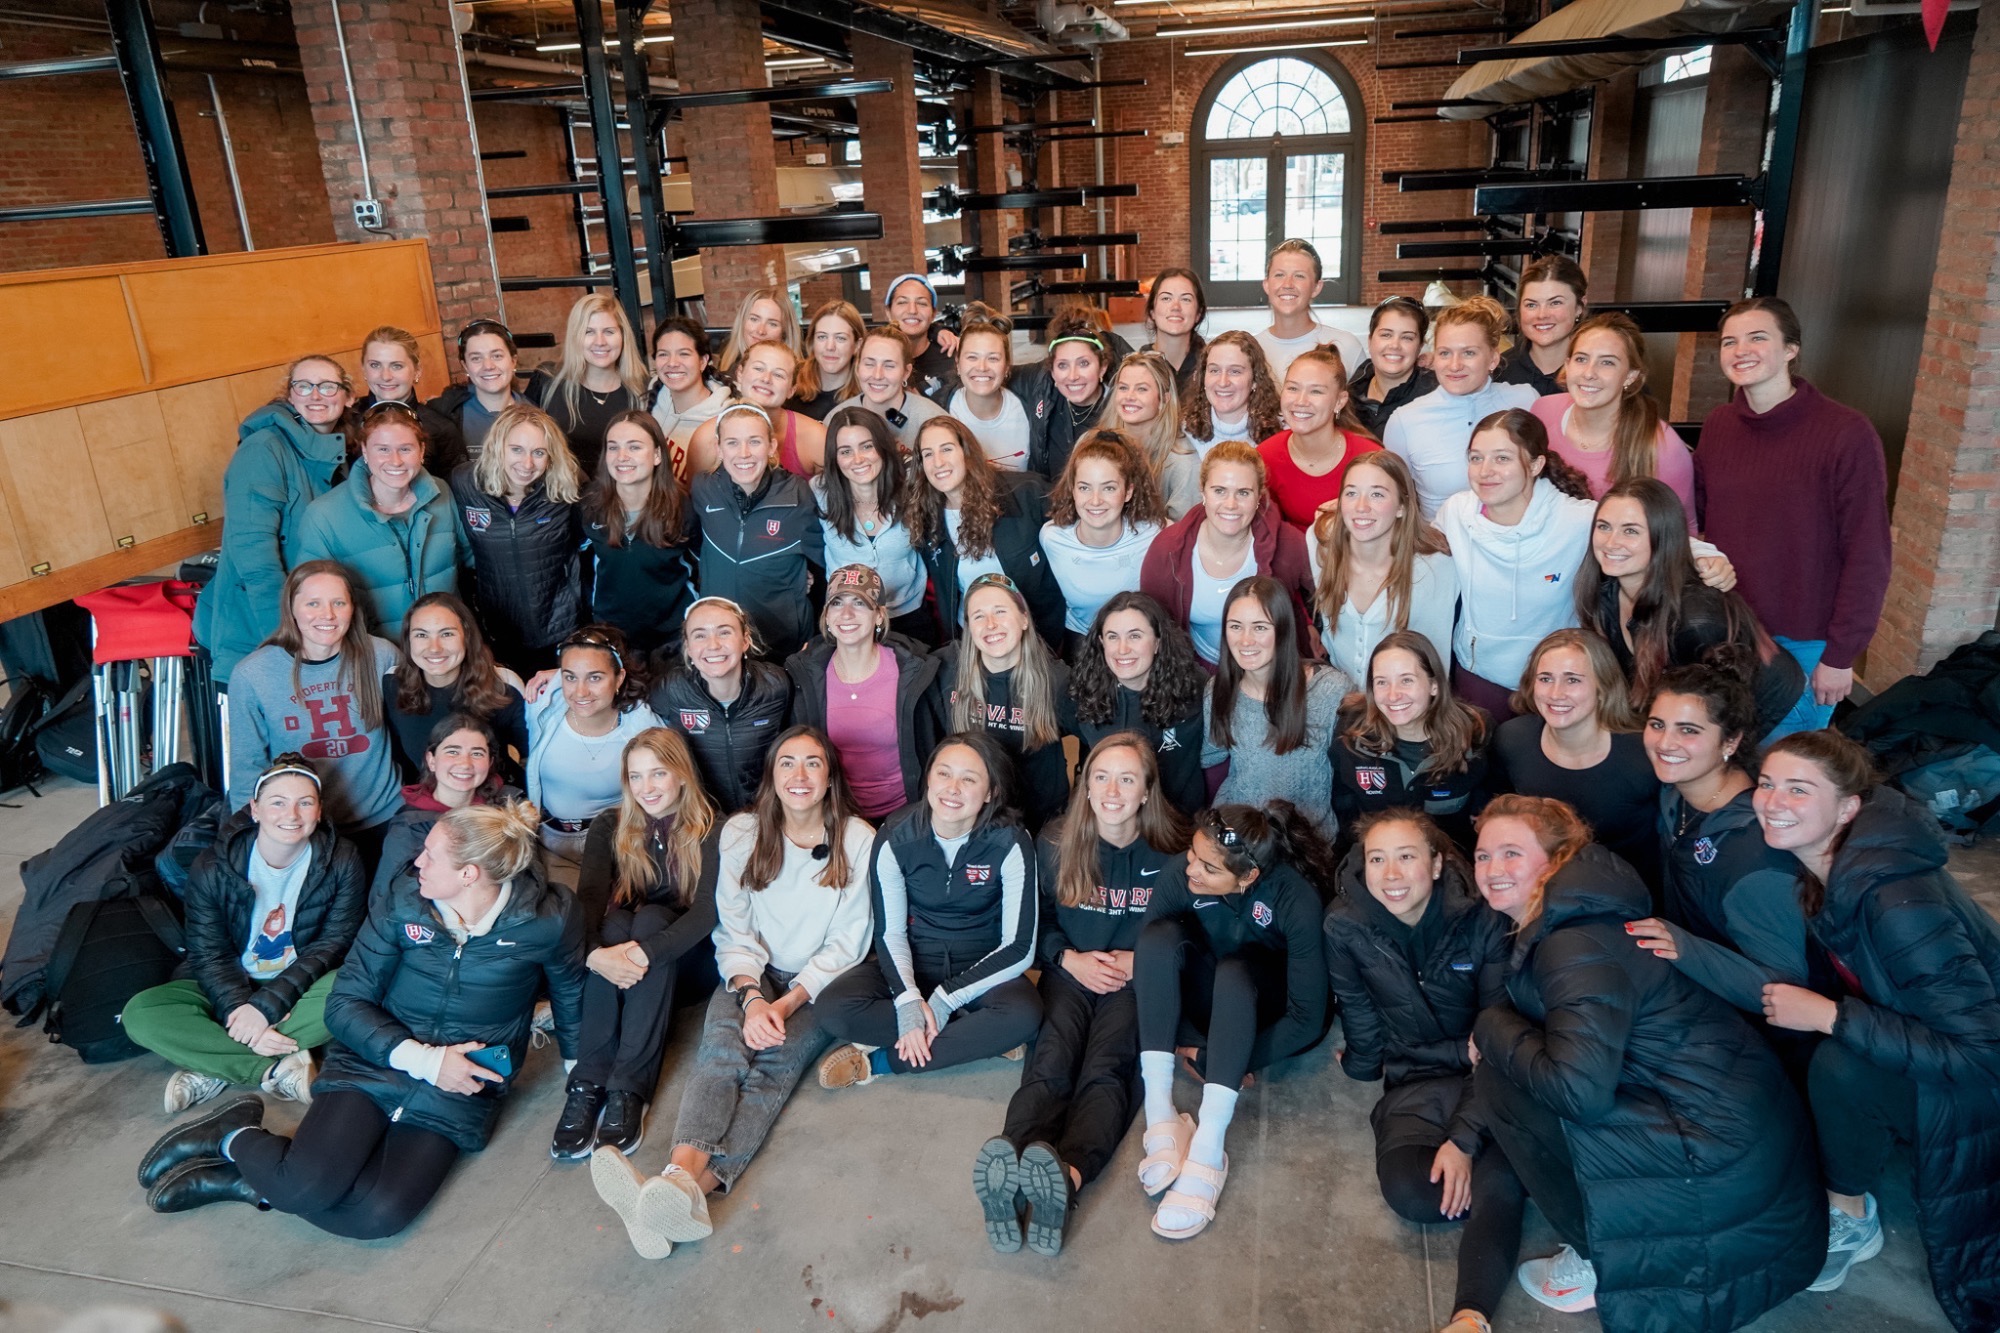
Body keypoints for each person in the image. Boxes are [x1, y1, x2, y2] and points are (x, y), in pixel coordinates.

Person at [137, 802, 586, 1238]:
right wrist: (426, 1060)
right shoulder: (403, 902)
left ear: (469, 874)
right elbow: (345, 1002)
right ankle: (231, 1136)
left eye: (431, 855)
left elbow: (570, 991)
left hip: (461, 1084)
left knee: (375, 1216)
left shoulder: (548, 919)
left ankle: (246, 1181)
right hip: (374, 1062)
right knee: (304, 1187)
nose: (418, 861)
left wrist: (581, 1077)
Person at [1467, 795, 1824, 1328]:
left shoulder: (1572, 943)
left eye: (1512, 853)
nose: (1493, 869)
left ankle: (1596, 1259)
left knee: (1501, 1083)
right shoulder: (1584, 912)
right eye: (1483, 855)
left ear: (1556, 860)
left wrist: (1489, 1026)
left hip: (1713, 1158)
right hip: (1733, 1135)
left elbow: (1579, 1094)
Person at [590, 726, 875, 1259]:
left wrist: (785, 1003)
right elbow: (734, 927)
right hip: (751, 972)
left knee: (770, 1072)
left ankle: (680, 1192)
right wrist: (752, 997)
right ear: (771, 775)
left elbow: (848, 942)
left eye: (813, 763)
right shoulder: (743, 832)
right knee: (722, 1051)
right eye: (786, 763)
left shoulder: (858, 839)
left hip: (818, 985)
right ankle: (681, 1182)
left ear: (830, 777)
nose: (799, 775)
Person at [1753, 731, 2000, 1325]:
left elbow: (1982, 1051)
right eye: (1766, 784)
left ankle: (1851, 1217)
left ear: (1847, 808)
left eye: (1798, 789)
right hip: (1937, 1043)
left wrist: (1830, 1016)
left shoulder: (1894, 901)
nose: (1772, 801)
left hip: (1983, 1081)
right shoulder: (1839, 870)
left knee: (1839, 1062)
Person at [975, 734, 1191, 1256]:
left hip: (1135, 981)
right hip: (1072, 970)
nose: (1112, 791)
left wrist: (1145, 961)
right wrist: (1066, 958)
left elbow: (1196, 931)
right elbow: (1039, 920)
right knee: (1051, 1060)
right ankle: (1012, 1166)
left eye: (1126, 779)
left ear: (1147, 791)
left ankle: (1066, 1176)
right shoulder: (1055, 842)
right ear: (1085, 786)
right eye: (1101, 777)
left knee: (1107, 1067)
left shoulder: (1174, 852)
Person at [1323, 810, 1521, 1333]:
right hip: (1412, 1075)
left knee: (1496, 1176)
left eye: (1406, 857)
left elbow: (1497, 1030)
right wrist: (1363, 1064)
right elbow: (1356, 1006)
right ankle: (1505, 1178)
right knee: (1412, 1192)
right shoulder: (1344, 924)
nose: (1390, 874)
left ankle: (1470, 1317)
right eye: (1377, 859)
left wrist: (1462, 1140)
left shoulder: (1483, 918)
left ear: (1435, 864)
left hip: (1489, 1072)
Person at [1439, 410, 1734, 720]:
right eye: (1476, 458)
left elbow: (1657, 533)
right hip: (1478, 673)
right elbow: (1423, 548)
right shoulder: (1456, 511)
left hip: (1558, 680)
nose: (1485, 471)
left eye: (1502, 458)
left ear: (1536, 465)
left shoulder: (1575, 518)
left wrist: (1709, 558)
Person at [1133, 800, 1334, 1240]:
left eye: (1209, 867)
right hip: (1212, 1003)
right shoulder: (1181, 875)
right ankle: (1160, 1111)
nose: (1191, 869)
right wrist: (1187, 1041)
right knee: (1157, 938)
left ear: (1248, 877)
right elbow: (1152, 972)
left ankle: (1208, 1146)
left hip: (1266, 1008)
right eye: (1193, 854)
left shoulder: (1294, 897)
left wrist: (1219, 1061)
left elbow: (1308, 1019)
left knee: (1236, 969)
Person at [123, 757, 366, 1113]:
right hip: (228, 982)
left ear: (319, 811)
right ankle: (274, 1069)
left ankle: (214, 1062)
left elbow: (334, 942)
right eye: (278, 802)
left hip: (302, 984)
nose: (291, 814)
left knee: (355, 991)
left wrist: (267, 1007)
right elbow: (209, 953)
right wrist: (240, 1008)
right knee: (141, 1013)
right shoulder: (213, 865)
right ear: (255, 809)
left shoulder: (342, 858)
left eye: (305, 802)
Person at [1696, 297, 1892, 737]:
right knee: (1727, 759)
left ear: (1790, 349)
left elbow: (1869, 553)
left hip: (1804, 643)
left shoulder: (1846, 432)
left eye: (1757, 338)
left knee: (1780, 765)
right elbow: (1698, 519)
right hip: (1729, 633)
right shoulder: (1719, 425)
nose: (1740, 350)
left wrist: (1840, 655)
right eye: (1729, 341)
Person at [1622, 668, 1828, 1074]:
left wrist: (1684, 948)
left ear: (1730, 742)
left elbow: (1782, 993)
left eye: (1688, 731)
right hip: (1700, 999)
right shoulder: (1676, 793)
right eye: (1657, 724)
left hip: (1764, 1051)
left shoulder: (1756, 853)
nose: (1665, 743)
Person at [816, 732, 1043, 1084]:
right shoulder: (895, 835)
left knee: (1024, 1016)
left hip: (982, 968)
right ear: (928, 778)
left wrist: (946, 999)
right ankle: (976, 1037)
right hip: (917, 960)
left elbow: (1019, 948)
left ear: (991, 792)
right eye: (944, 773)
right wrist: (908, 1000)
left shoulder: (1011, 841)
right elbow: (890, 932)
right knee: (833, 1009)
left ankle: (878, 1063)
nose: (953, 788)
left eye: (969, 779)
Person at [554, 728, 721, 1160]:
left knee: (651, 918)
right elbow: (590, 901)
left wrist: (642, 952)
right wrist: (597, 956)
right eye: (636, 776)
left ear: (681, 774)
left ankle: (630, 1089)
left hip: (688, 962)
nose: (646, 787)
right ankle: (588, 1083)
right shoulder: (610, 825)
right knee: (613, 925)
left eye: (658, 773)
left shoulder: (712, 827)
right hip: (625, 956)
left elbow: (707, 913)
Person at [1576, 478, 1804, 742]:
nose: (1611, 542)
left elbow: (1723, 713)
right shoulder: (1605, 592)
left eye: (1631, 531)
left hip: (1770, 712)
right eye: (1604, 526)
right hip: (1703, 715)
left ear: (1663, 537)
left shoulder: (1695, 621)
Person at [227, 562, 401, 872]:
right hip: (303, 829)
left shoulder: (382, 656)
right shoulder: (253, 675)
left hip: (385, 821)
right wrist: (252, 847)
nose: (328, 614)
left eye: (339, 603)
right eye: (313, 603)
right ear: (291, 609)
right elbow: (247, 770)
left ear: (353, 608)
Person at [195, 354, 354, 684]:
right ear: (290, 395)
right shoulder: (263, 449)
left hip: (312, 626)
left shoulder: (338, 451)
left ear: (348, 396)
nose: (315, 395)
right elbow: (255, 557)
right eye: (304, 386)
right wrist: (286, 640)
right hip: (257, 630)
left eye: (327, 386)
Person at [1492, 629, 1661, 889]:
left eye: (1572, 680)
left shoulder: (1643, 753)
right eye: (1545, 678)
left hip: (1627, 895)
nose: (1556, 693)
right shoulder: (1512, 739)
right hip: (1540, 890)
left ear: (1603, 687)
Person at [291, 403, 466, 642]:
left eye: (405, 449)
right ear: (364, 450)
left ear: (422, 450)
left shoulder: (442, 493)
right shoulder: (323, 515)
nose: (395, 461)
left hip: (441, 647)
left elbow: (471, 559)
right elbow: (309, 601)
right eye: (383, 449)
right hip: (372, 653)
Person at [784, 565, 947, 821]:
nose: (846, 613)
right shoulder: (804, 673)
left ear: (879, 615)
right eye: (837, 603)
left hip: (905, 814)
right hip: (833, 814)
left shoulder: (913, 669)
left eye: (859, 603)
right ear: (826, 616)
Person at [1140, 441, 1316, 668]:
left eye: (1243, 493)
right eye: (1219, 491)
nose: (1231, 504)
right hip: (1199, 673)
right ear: (1203, 490)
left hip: (1273, 672)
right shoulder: (1167, 548)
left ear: (1259, 496)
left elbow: (1326, 598)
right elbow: (1153, 627)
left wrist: (1310, 625)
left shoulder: (1289, 543)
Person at [1201, 577, 1349, 840]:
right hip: (1240, 838)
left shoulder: (1330, 689)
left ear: (1282, 630)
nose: (1245, 640)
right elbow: (1212, 761)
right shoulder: (1218, 690)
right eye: (1235, 626)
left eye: (1260, 627)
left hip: (1308, 843)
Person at [448, 402, 585, 673]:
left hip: (560, 629)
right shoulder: (465, 483)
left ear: (551, 456)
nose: (527, 463)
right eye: (516, 449)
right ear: (498, 446)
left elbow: (587, 545)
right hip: (497, 632)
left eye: (539, 452)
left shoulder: (567, 484)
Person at [911, 416, 1067, 647]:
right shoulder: (927, 519)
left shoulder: (1024, 493)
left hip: (1041, 640)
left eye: (946, 449)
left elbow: (1077, 525)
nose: (938, 462)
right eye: (928, 454)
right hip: (977, 643)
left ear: (967, 452)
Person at [1332, 632, 1491, 853]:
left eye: (1406, 680)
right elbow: (1346, 813)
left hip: (1450, 861)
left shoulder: (1474, 732)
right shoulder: (1351, 733)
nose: (1393, 695)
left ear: (1434, 685)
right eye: (1382, 682)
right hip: (1378, 860)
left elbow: (1486, 816)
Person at [688, 403, 824, 660]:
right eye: (732, 443)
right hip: (719, 646)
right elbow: (692, 544)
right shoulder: (704, 488)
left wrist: (805, 578)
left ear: (771, 446)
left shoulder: (798, 494)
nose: (744, 453)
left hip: (783, 645)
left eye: (754, 441)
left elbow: (824, 562)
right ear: (718, 448)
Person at [1384, 297, 1541, 519]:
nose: (1455, 365)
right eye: (1445, 353)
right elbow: (1396, 501)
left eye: (1469, 353)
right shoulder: (1405, 421)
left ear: (1493, 359)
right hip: (1441, 538)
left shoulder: (1527, 401)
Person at [939, 574, 1073, 831]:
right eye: (978, 616)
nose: (991, 624)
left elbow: (1103, 740)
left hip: (1040, 822)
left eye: (1000, 611)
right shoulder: (948, 671)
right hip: (975, 818)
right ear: (968, 628)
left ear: (1024, 619)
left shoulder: (1057, 681)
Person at [1308, 451, 1455, 683]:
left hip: (1401, 700)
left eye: (1377, 494)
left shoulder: (1434, 569)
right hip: (1338, 695)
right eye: (1351, 493)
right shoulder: (1321, 543)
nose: (1361, 506)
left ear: (1401, 507)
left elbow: (1436, 660)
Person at [1530, 313, 1694, 519]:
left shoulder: (1662, 447)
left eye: (1607, 362)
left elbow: (1682, 530)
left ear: (1630, 376)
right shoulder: (1542, 412)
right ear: (1568, 365)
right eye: (1581, 359)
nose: (1589, 373)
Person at [1062, 592, 1207, 816]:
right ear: (1101, 643)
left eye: (1135, 636)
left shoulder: (1194, 686)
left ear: (1158, 642)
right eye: (1112, 637)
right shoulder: (1082, 691)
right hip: (1113, 820)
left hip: (1181, 822)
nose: (1122, 649)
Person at [526, 625, 663, 861]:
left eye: (595, 678)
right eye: (570, 677)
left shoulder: (642, 726)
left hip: (618, 843)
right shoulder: (543, 703)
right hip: (548, 840)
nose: (580, 692)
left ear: (619, 678)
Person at [651, 596, 792, 814]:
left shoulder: (776, 685)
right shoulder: (672, 689)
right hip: (702, 818)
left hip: (766, 814)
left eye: (724, 632)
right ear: (688, 647)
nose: (713, 645)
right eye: (700, 635)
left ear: (745, 640)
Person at [582, 410, 696, 656]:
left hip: (673, 638)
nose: (622, 456)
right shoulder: (589, 507)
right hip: (611, 636)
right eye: (613, 447)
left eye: (634, 447)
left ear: (657, 455)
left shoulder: (683, 507)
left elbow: (702, 570)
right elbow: (579, 571)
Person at [383, 592, 528, 783]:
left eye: (447, 634)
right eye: (421, 635)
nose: (434, 648)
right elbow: (403, 763)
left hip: (493, 797)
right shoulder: (393, 683)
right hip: (426, 799)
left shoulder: (504, 686)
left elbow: (534, 758)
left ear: (467, 637)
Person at [1041, 430, 1168, 645]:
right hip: (1080, 641)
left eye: (1108, 488)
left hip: (1137, 642)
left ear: (1128, 492)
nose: (1095, 500)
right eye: (1084, 488)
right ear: (1072, 490)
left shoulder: (1155, 534)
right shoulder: (1052, 538)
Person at [817, 406, 930, 643]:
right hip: (847, 621)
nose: (858, 459)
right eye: (845, 451)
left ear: (883, 447)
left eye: (867, 446)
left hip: (907, 614)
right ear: (834, 458)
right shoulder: (819, 493)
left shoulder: (912, 491)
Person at [375, 714, 518, 896]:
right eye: (452, 752)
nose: (465, 764)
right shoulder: (408, 829)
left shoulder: (508, 810)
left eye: (477, 754)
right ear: (431, 760)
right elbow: (387, 897)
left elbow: (527, 881)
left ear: (489, 762)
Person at [1258, 347, 1381, 530]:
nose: (1301, 401)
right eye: (1293, 388)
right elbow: (1263, 531)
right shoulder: (1265, 456)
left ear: (1340, 401)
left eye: (1316, 391)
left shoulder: (1371, 459)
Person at [541, 292, 649, 478]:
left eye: (609, 332)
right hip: (567, 493)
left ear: (623, 336)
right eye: (589, 332)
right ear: (575, 337)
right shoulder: (548, 384)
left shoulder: (644, 389)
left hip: (627, 492)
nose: (600, 342)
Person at [686, 338, 825, 480]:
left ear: (791, 390)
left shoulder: (816, 437)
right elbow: (695, 493)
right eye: (758, 369)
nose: (766, 379)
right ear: (740, 374)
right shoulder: (706, 438)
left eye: (778, 375)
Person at [1098, 352, 1201, 519]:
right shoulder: (1091, 444)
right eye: (1123, 387)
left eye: (1142, 389)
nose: (1129, 397)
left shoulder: (1184, 462)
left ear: (1164, 399)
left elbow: (1184, 530)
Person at [356, 325, 466, 479]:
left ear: (417, 370)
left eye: (397, 366)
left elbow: (455, 488)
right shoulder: (348, 421)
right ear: (364, 369)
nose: (385, 376)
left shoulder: (441, 429)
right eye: (375, 365)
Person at [1254, 238, 1365, 381]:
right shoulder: (1251, 350)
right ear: (1266, 285)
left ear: (1316, 287)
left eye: (1299, 276)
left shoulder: (1346, 347)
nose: (1288, 284)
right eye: (1279, 275)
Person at [428, 318, 540, 460]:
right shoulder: (443, 413)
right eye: (476, 358)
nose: (488, 366)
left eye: (497, 356)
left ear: (513, 360)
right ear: (465, 366)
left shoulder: (538, 418)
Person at [1023, 311, 1113, 481]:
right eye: (1063, 365)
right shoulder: (1045, 397)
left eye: (1083, 363)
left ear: (1102, 367)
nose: (1073, 376)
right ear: (1052, 371)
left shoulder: (1120, 411)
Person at [1494, 255, 1588, 398]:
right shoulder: (1497, 372)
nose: (1542, 315)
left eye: (1555, 303)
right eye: (1531, 305)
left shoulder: (1593, 376)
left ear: (1579, 307)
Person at [948, 314, 1032, 471]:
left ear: (1007, 367)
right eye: (972, 357)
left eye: (993, 358)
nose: (982, 367)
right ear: (958, 364)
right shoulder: (940, 411)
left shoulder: (1030, 410)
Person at [648, 316, 730, 476]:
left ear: (703, 361)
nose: (672, 363)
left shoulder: (724, 421)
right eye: (663, 354)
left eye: (684, 354)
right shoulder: (654, 393)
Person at [1181, 331, 1283, 457]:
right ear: (1203, 378)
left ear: (1255, 380)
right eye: (1214, 370)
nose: (1223, 382)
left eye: (1235, 371)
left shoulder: (1281, 434)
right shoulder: (1181, 434)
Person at [847, 326, 947, 454]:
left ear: (906, 372)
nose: (877, 375)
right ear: (857, 368)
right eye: (869, 364)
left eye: (889, 366)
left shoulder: (934, 421)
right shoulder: (836, 418)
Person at [1347, 296, 1436, 438]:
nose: (1395, 345)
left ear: (1419, 346)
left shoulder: (1435, 395)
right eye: (1386, 335)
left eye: (1407, 337)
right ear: (1370, 341)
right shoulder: (1351, 393)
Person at [884, 272, 958, 403]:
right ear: (888, 312)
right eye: (902, 302)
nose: (912, 310)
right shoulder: (875, 358)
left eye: (922, 303)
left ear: (933, 313)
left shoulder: (952, 357)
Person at [788, 299, 864, 420]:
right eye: (822, 337)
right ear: (812, 341)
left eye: (840, 338)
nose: (830, 347)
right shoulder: (790, 380)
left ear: (857, 345)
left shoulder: (867, 395)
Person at [1141, 266, 1207, 396]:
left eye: (1186, 299)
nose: (1176, 307)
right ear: (1152, 311)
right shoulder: (1137, 369)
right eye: (1166, 298)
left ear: (1198, 313)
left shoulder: (1211, 367)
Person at [714, 288, 801, 376]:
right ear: (742, 321)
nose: (761, 331)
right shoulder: (727, 361)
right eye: (754, 319)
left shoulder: (800, 375)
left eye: (772, 324)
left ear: (785, 332)